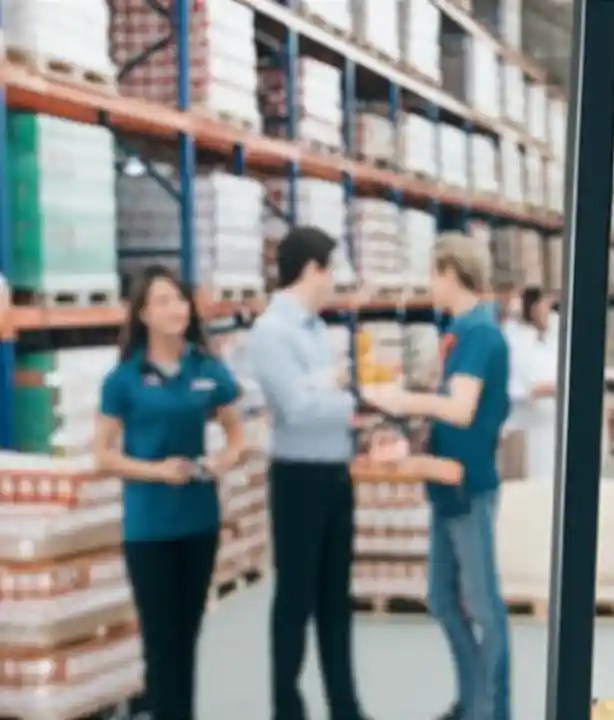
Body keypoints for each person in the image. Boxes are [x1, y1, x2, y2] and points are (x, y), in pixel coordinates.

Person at [363, 235, 512, 720]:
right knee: (443, 598)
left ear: (450, 272)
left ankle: (492, 709)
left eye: (432, 273)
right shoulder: (457, 333)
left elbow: (461, 409)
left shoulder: (480, 334)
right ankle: (472, 700)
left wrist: (403, 399)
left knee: (484, 608)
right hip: (445, 482)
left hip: (469, 485)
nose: (429, 283)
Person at [93, 265, 245, 720]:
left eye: (179, 299)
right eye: (162, 301)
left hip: (199, 521)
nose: (176, 308)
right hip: (149, 528)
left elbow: (238, 433)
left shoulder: (207, 369)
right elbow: (103, 455)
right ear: (143, 314)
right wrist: (156, 471)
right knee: (161, 644)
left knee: (187, 638)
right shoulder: (123, 379)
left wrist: (222, 461)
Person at [247, 227, 370, 720]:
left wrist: (333, 393)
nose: (334, 280)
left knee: (336, 601)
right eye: (331, 269)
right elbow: (296, 408)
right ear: (310, 269)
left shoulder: (317, 330)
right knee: (295, 600)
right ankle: (287, 708)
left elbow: (324, 396)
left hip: (336, 474)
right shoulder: (271, 332)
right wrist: (343, 396)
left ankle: (346, 708)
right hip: (297, 478)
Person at [505, 286, 560, 480]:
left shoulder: (553, 332)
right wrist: (543, 390)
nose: (548, 312)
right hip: (526, 427)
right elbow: (517, 386)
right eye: (544, 306)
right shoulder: (514, 339)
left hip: (555, 424)